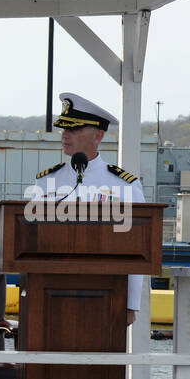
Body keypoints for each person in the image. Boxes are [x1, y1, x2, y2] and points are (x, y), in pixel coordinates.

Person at [32, 92, 146, 324]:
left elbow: (137, 246)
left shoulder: (124, 184)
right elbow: (32, 237)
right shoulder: (45, 182)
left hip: (108, 293)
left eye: (73, 130)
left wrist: (131, 302)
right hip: (51, 292)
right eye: (64, 130)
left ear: (98, 135)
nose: (65, 136)